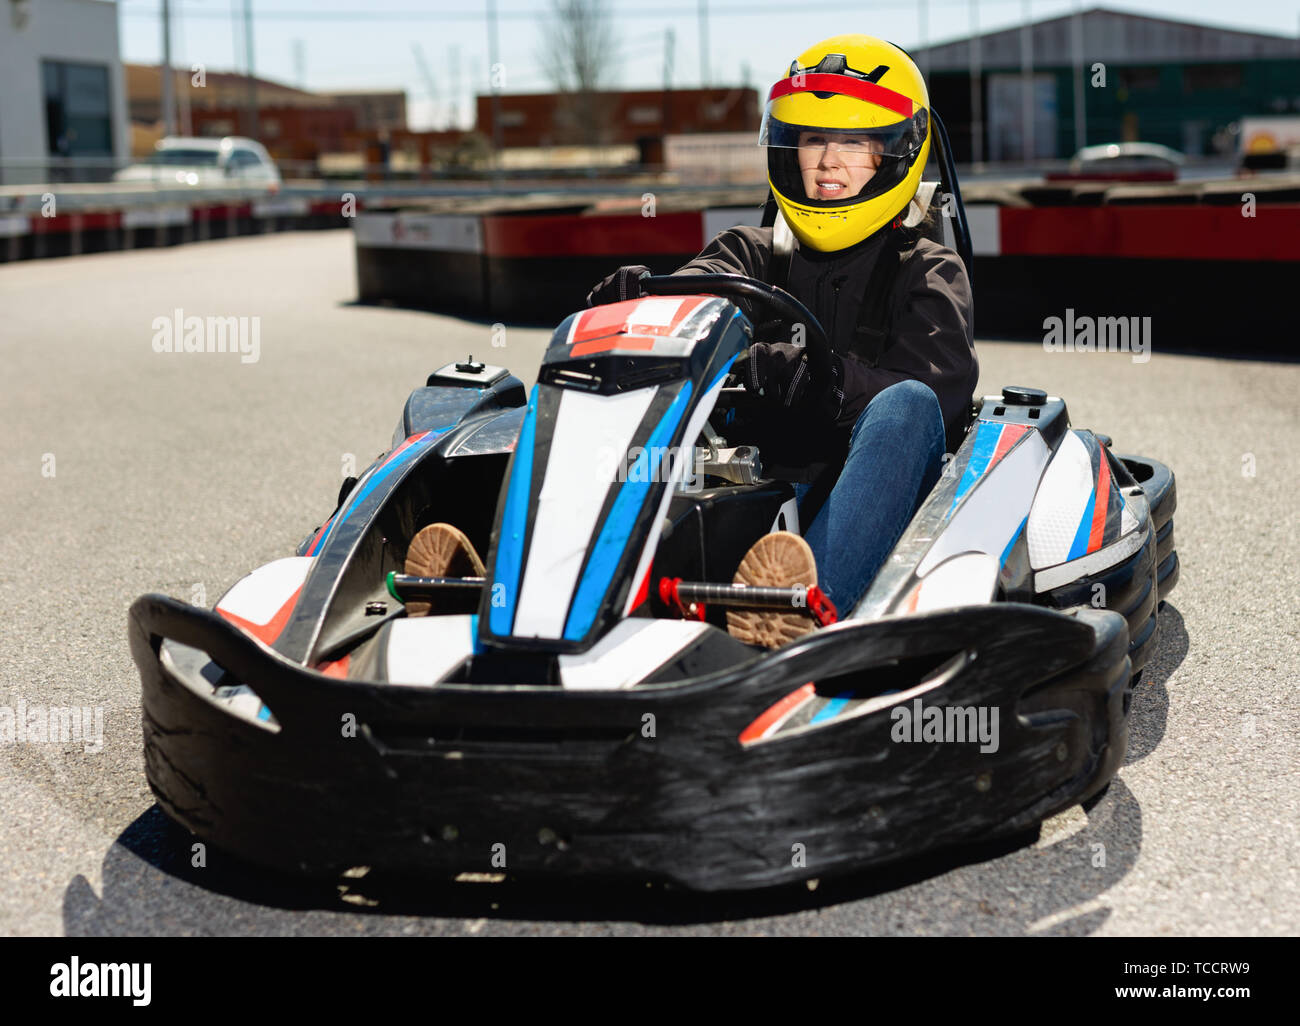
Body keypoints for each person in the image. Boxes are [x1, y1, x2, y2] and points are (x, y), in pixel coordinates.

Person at [586, 34, 978, 648]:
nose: (827, 163)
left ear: (896, 153)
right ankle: (547, 585)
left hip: (867, 484)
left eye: (853, 142)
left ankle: (804, 616)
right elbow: (698, 291)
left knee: (908, 406)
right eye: (814, 141)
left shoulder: (926, 269)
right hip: (746, 476)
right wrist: (635, 304)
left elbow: (939, 391)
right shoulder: (749, 252)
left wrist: (820, 378)